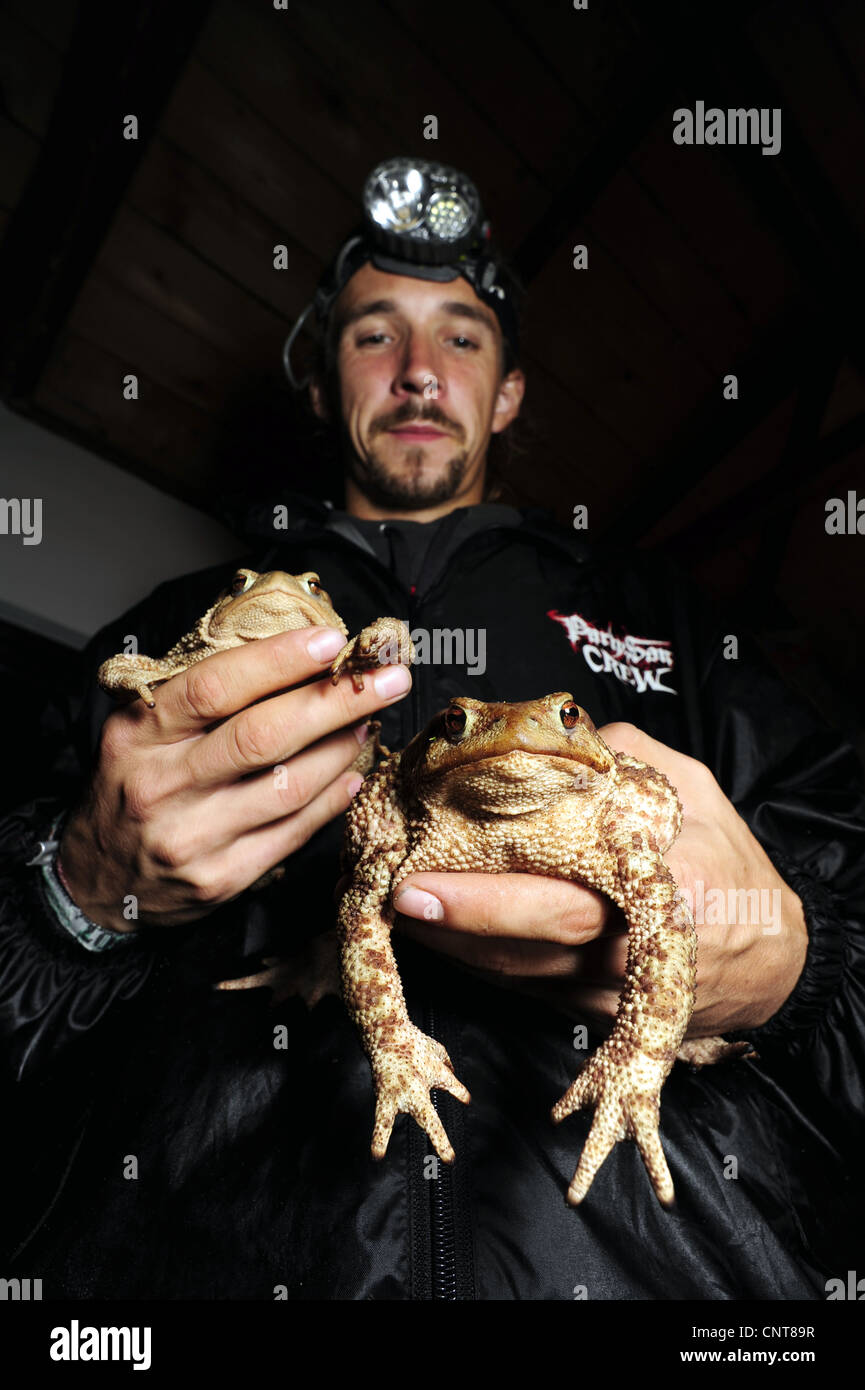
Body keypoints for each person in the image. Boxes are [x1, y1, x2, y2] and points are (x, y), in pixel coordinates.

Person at [1, 157, 862, 1301]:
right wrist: (78, 888)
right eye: (373, 335)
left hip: (669, 1265)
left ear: (506, 391)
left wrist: (793, 957)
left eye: (460, 336)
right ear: (318, 383)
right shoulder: (182, 629)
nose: (417, 371)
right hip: (196, 1264)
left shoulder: (672, 621)